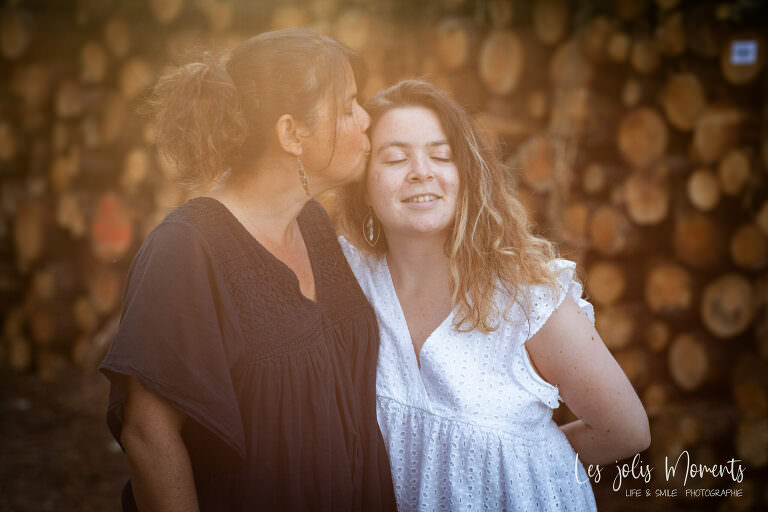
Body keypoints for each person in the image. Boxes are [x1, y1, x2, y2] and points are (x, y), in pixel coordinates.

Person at [99, 28, 396, 511]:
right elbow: (150, 436)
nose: (366, 120)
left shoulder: (313, 224)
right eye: (347, 108)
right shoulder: (187, 250)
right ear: (291, 133)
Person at [337, 80, 650, 511]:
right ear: (363, 185)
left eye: (441, 155)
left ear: (466, 175)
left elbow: (627, 430)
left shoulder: (526, 298)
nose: (421, 171)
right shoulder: (348, 279)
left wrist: (521, 462)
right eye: (394, 158)